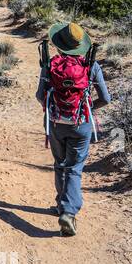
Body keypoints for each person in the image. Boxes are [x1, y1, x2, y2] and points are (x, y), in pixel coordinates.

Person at [36, 21, 110, 237]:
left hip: (56, 123)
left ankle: (62, 205)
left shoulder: (49, 65)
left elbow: (40, 95)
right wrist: (88, 109)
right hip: (81, 124)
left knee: (60, 164)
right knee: (75, 168)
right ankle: (68, 212)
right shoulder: (91, 66)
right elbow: (105, 98)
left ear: (58, 45)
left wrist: (53, 108)